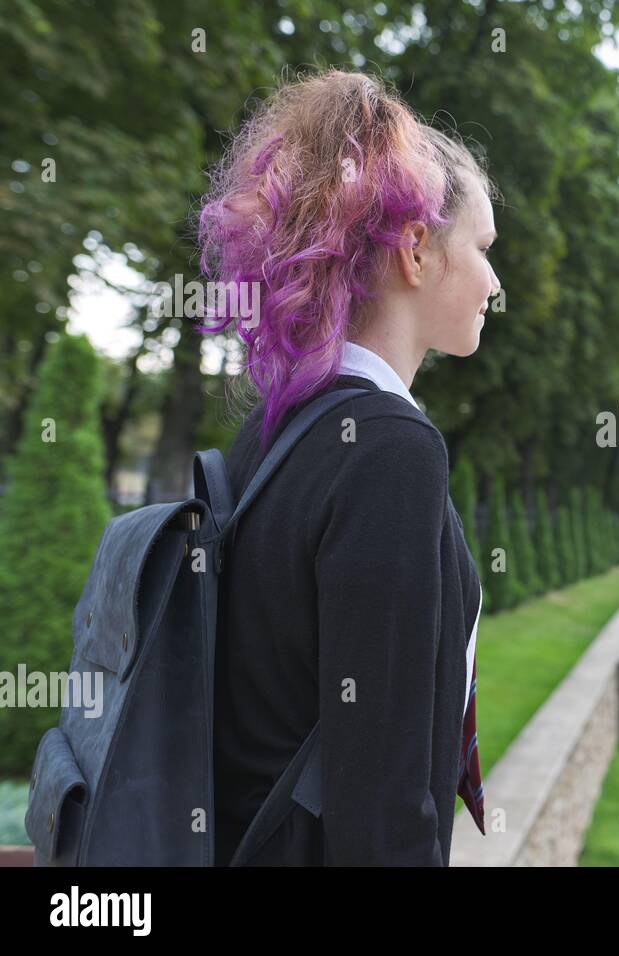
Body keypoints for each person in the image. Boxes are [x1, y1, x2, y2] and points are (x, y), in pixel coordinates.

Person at [193, 68, 502, 865]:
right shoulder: (391, 451)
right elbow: (384, 794)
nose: (492, 283)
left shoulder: (277, 430)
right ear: (414, 250)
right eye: (481, 248)